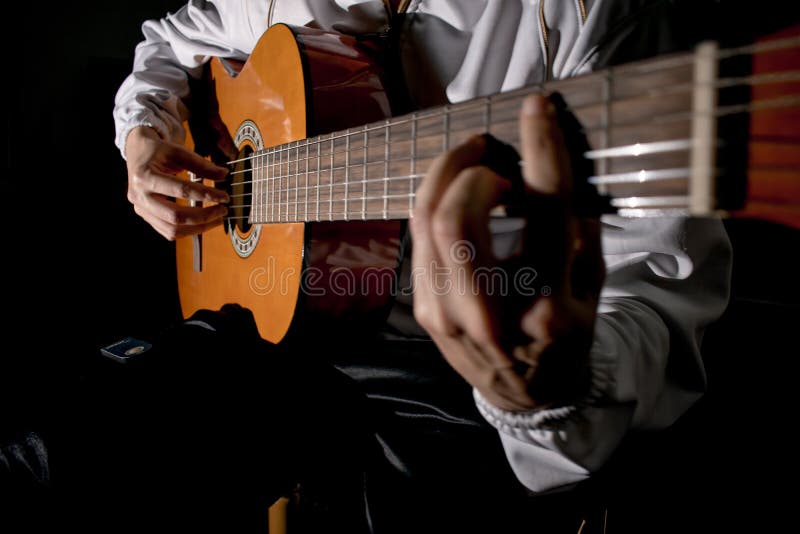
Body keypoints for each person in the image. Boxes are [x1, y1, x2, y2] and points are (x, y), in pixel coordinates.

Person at [108, 1, 732, 532]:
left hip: (459, 381)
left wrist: (545, 391)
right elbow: (167, 44)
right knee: (74, 455)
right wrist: (142, 138)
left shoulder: (589, 12)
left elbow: (655, 293)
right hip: (280, 317)